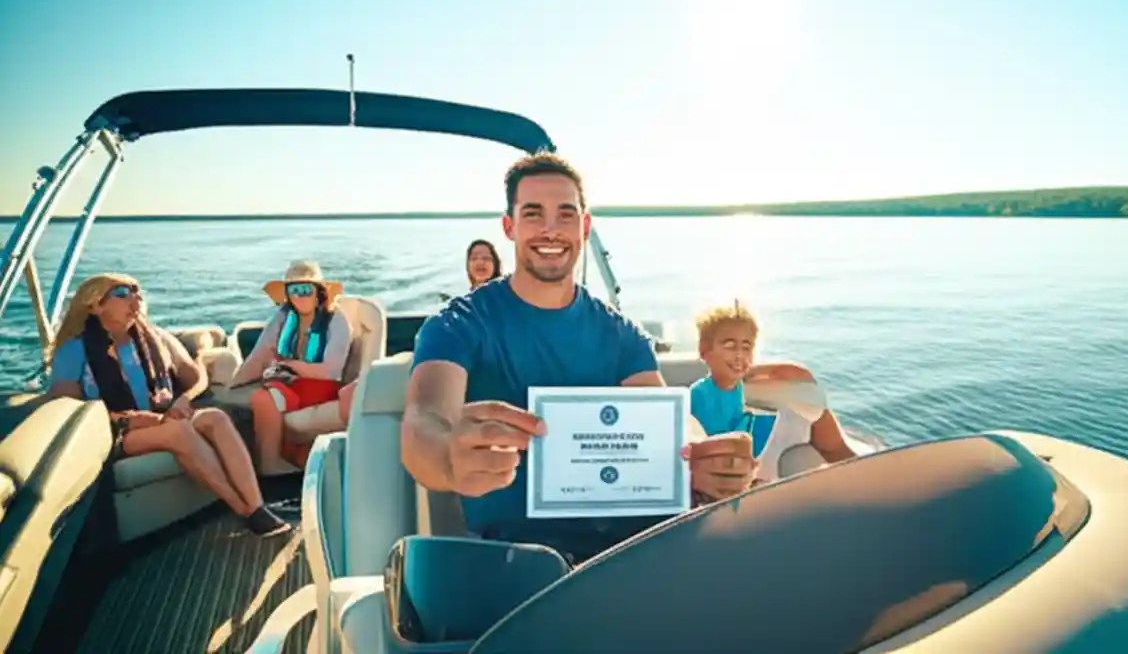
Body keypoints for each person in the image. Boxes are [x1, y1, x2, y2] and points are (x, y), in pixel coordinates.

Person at [401, 152, 758, 563]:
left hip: (633, 552)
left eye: (566, 215)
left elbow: (664, 417)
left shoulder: (622, 334)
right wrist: (447, 458)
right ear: (509, 227)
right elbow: (424, 420)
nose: (551, 230)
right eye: (533, 214)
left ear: (585, 227)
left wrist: (705, 453)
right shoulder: (457, 325)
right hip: (518, 562)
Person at [46, 274, 290, 536]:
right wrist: (123, 419)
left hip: (162, 416)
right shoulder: (74, 351)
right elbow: (68, 409)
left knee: (216, 417)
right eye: (121, 294)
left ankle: (257, 505)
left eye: (136, 292)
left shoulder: (156, 337)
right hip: (116, 432)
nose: (134, 298)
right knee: (179, 432)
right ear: (95, 305)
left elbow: (196, 377)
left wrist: (183, 399)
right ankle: (245, 511)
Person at [690, 299, 858, 479]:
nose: (739, 354)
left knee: (808, 396)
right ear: (704, 350)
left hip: (756, 453)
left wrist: (749, 369)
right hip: (732, 472)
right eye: (730, 346)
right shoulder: (698, 396)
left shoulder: (745, 386)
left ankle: (851, 462)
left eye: (747, 347)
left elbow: (796, 373)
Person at [229, 261, 357, 471]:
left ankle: (268, 472)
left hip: (320, 384)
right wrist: (234, 386)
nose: (299, 296)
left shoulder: (336, 320)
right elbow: (263, 350)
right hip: (287, 380)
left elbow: (331, 371)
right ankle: (283, 463)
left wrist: (288, 364)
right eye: (294, 290)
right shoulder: (283, 317)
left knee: (263, 399)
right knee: (248, 398)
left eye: (305, 289)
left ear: (319, 292)